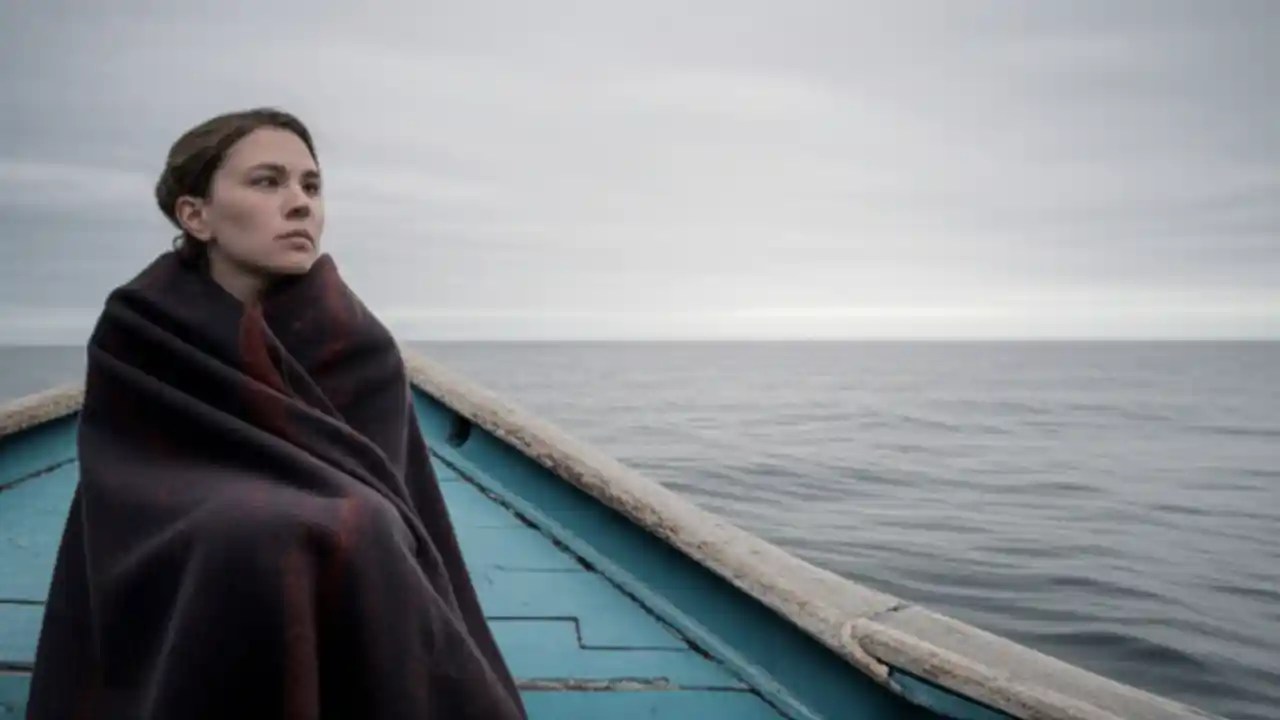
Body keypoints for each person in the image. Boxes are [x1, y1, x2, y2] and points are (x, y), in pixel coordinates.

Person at [27, 108, 528, 719]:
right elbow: (131, 485)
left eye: (311, 186)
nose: (300, 204)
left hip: (344, 540)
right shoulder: (139, 331)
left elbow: (388, 497)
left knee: (356, 525)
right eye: (268, 182)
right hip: (181, 547)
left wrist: (311, 513)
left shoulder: (355, 343)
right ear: (196, 215)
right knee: (254, 534)